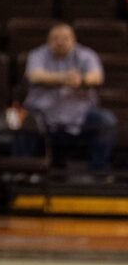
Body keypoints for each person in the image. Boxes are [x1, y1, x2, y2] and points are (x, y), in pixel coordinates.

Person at [20, 23, 116, 176]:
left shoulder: (86, 55)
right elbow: (34, 75)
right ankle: (25, 173)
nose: (60, 42)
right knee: (24, 119)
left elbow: (97, 77)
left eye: (65, 38)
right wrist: (63, 78)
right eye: (55, 38)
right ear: (48, 40)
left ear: (74, 40)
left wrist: (82, 80)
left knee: (106, 121)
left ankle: (98, 173)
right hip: (44, 113)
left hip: (80, 114)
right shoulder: (37, 54)